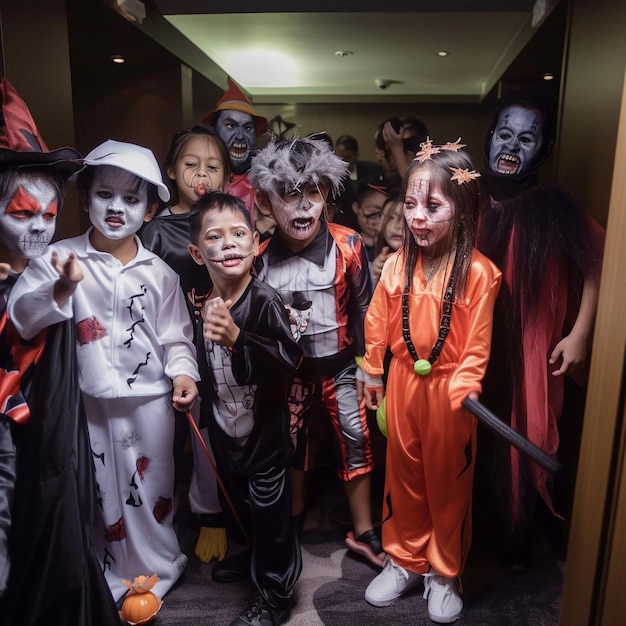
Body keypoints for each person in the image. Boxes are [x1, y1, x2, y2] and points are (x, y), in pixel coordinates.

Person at [8, 139, 199, 603]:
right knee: (98, 491)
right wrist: (61, 288)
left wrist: (183, 373)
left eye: (132, 199)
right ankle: (104, 572)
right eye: (105, 195)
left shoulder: (160, 273)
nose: (117, 208)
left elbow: (176, 336)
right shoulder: (57, 257)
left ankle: (156, 565)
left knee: (153, 487)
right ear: (86, 196)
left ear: (150, 210)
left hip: (150, 402)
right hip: (85, 401)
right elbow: (21, 316)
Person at [360, 140, 501, 623]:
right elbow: (378, 319)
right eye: (411, 204)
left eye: (433, 206)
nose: (417, 217)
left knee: (447, 481)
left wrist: (466, 383)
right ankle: (404, 559)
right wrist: (374, 371)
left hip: (450, 394)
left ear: (460, 212)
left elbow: (477, 342)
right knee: (402, 476)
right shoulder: (398, 263)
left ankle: (444, 569)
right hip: (403, 383)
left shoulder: (480, 273)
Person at [0, 78, 120, 625]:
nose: (38, 230)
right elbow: (27, 314)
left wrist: (61, 287)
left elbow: (31, 306)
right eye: (22, 215)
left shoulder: (39, 268)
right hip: (25, 428)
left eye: (48, 218)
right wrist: (63, 291)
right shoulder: (28, 277)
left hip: (54, 420)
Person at [475, 88, 605, 571]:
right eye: (504, 134)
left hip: (527, 348)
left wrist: (581, 335)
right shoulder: (468, 194)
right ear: (490, 138)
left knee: (518, 438)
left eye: (527, 139)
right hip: (471, 345)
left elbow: (598, 262)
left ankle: (515, 540)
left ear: (543, 148)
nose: (511, 147)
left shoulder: (553, 206)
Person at [249, 136, 385, 569]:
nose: (304, 205)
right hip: (289, 373)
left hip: (342, 367)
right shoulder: (259, 258)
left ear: (327, 192)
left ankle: (365, 529)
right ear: (266, 202)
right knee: (290, 444)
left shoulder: (348, 246)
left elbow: (365, 308)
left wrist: (369, 368)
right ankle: (291, 520)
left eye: (313, 191)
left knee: (356, 436)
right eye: (290, 193)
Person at [188, 190, 303, 626]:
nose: (230, 243)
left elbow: (289, 360)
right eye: (216, 237)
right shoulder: (206, 303)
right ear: (198, 254)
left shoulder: (265, 300)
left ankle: (276, 594)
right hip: (225, 428)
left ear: (256, 243)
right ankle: (258, 558)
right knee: (241, 506)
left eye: (239, 233)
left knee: (271, 512)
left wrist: (239, 339)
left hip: (263, 437)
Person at [139, 124, 231, 564]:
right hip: (166, 347)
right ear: (172, 171)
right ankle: (154, 523)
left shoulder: (224, 223)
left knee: (207, 434)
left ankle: (210, 515)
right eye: (191, 165)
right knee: (159, 439)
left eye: (213, 167)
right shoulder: (156, 231)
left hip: (215, 347)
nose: (202, 175)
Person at [200, 76, 269, 218]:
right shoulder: (199, 177)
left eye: (248, 128)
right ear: (214, 130)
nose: (240, 136)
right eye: (230, 126)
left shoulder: (267, 182)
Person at [370, 191, 404, 287]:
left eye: (405, 219)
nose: (398, 226)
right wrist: (374, 277)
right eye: (391, 217)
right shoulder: (373, 262)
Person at [351, 178, 389, 262]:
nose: (379, 221)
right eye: (373, 214)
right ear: (356, 208)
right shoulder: (348, 246)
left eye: (387, 215)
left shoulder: (394, 247)